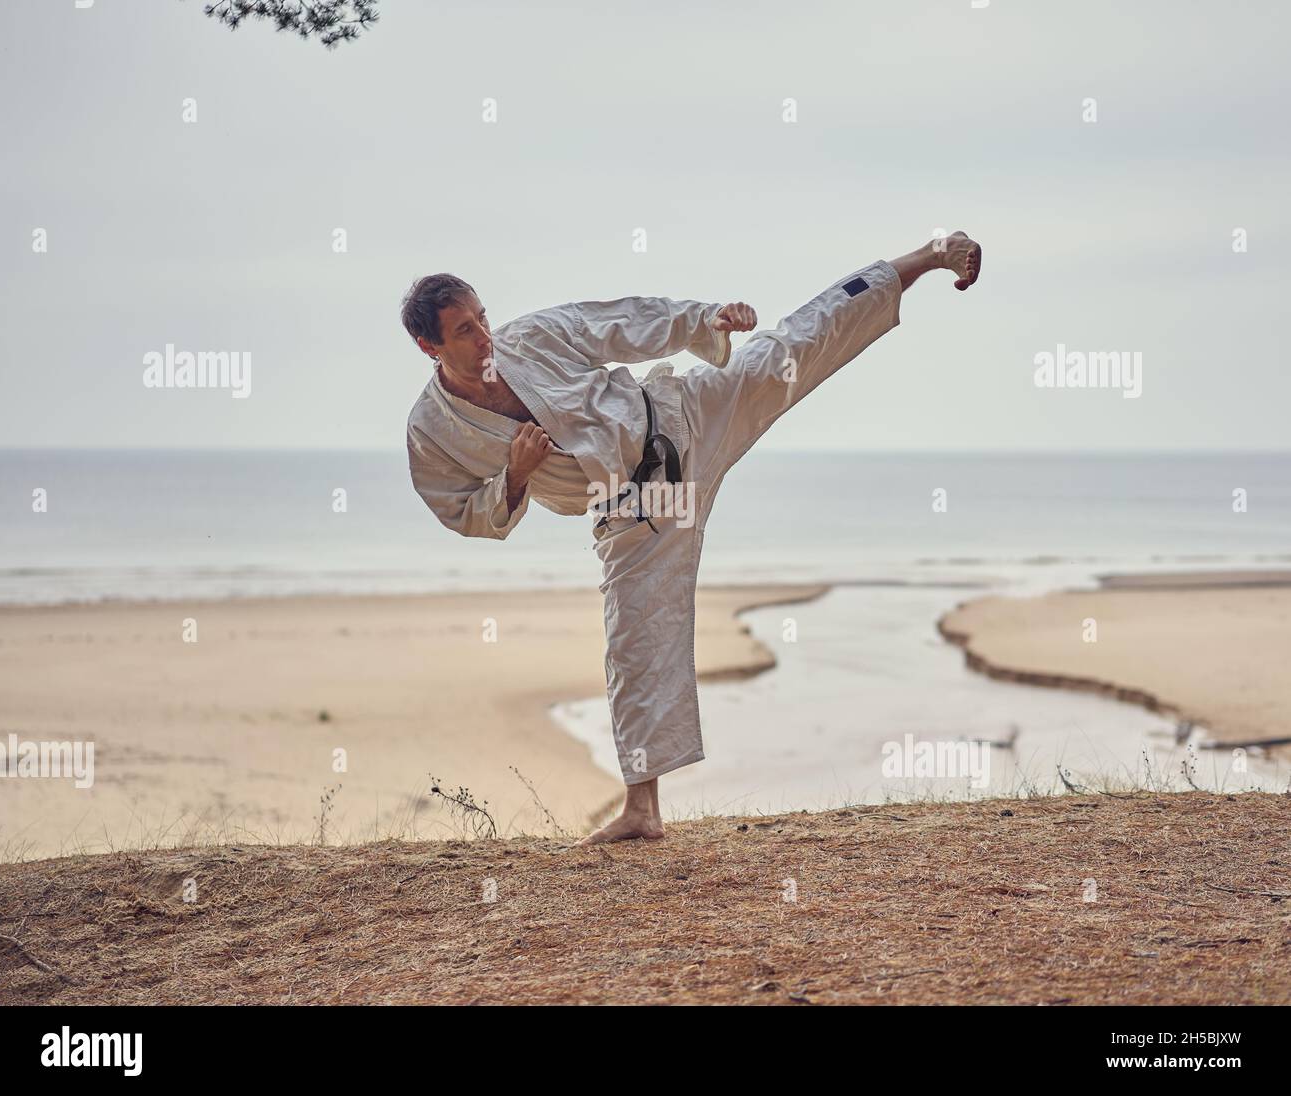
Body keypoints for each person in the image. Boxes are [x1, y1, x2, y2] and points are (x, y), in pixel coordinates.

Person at [403, 232, 982, 845]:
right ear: (428, 345)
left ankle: (927, 256)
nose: (484, 336)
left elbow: (617, 322)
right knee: (634, 641)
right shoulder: (432, 431)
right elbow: (462, 511)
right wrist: (515, 477)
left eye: (482, 317)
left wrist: (706, 320)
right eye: (463, 330)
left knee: (793, 345)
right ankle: (642, 810)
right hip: (637, 511)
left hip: (681, 420)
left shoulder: (529, 339)